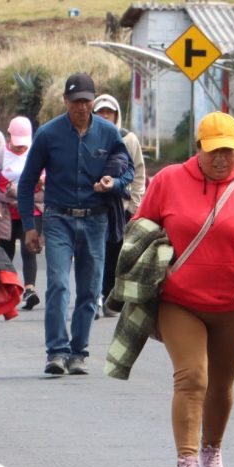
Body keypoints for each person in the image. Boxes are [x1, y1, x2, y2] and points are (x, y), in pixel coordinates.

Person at [124, 112, 234, 467]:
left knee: (222, 385)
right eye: (214, 151)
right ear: (198, 149)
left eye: (229, 151)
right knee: (193, 377)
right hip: (181, 301)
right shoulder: (168, 182)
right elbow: (141, 232)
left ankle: (212, 450)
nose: (223, 159)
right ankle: (187, 461)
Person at [18, 72, 132, 377]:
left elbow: (127, 171)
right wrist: (30, 226)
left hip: (96, 221)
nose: (82, 107)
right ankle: (56, 351)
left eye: (86, 101)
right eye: (76, 101)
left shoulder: (108, 133)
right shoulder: (48, 134)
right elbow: (27, 182)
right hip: (58, 219)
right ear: (66, 101)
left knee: (90, 290)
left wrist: (114, 182)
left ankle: (78, 352)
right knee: (57, 285)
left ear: (93, 101)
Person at [93, 93, 145, 314]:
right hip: (93, 206)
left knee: (115, 254)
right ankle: (94, 296)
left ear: (116, 115)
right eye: (101, 112)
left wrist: (134, 207)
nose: (105, 116)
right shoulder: (88, 136)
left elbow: (139, 173)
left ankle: (109, 297)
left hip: (120, 208)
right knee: (95, 252)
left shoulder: (128, 139)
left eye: (109, 112)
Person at [0, 116, 42, 310]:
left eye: (23, 144)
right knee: (6, 250)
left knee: (29, 248)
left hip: (31, 207)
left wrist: (42, 181)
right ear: (9, 135)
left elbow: (47, 175)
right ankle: (10, 289)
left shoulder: (36, 151)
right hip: (5, 210)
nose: (20, 148)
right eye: (17, 144)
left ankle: (29, 289)